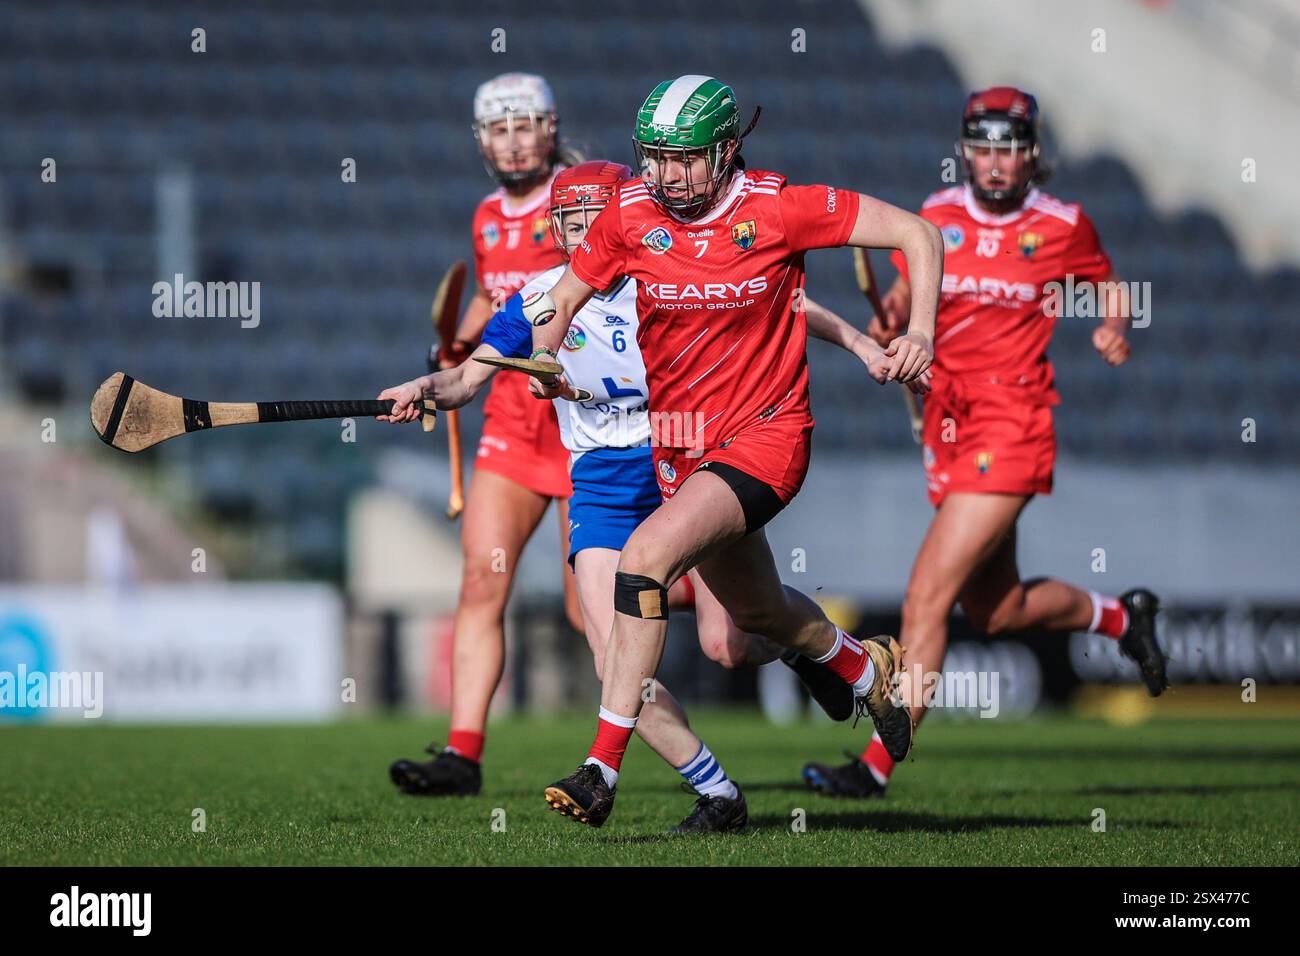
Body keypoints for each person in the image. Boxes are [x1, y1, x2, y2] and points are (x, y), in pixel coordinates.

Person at [380, 160, 906, 830]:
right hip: (600, 486)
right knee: (616, 660)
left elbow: (788, 304)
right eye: (574, 224)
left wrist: (861, 343)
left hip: (686, 469)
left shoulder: (674, 274)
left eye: (598, 220)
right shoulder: (541, 297)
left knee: (735, 641)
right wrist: (421, 390)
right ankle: (716, 793)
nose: (588, 235)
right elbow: (464, 381)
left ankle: (819, 650)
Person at [524, 75, 942, 828]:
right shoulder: (627, 216)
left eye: (682, 160)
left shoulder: (781, 208)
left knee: (644, 559)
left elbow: (921, 233)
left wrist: (919, 333)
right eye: (652, 157)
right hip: (681, 451)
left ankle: (599, 770)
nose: (663, 175)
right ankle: (862, 665)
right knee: (756, 614)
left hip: (769, 438)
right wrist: (544, 350)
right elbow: (564, 296)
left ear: (725, 151)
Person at [801, 87, 1168, 800]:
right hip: (948, 426)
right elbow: (908, 305)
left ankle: (875, 767)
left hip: (1014, 426)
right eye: (983, 148)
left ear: (1032, 154)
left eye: (1010, 149)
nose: (996, 164)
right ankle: (1125, 616)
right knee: (995, 609)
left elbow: (1112, 288)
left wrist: (1114, 327)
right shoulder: (935, 218)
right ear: (965, 151)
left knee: (926, 595)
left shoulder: (1062, 224)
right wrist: (894, 325)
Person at [388, 73, 583, 798]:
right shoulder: (487, 216)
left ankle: (721, 599)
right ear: (481, 141)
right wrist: (458, 348)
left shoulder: (585, 199)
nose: (512, 142)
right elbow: (492, 297)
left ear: (551, 127)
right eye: (498, 131)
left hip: (584, 422)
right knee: (481, 581)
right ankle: (463, 756)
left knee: (586, 610)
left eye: (525, 126)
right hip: (513, 428)